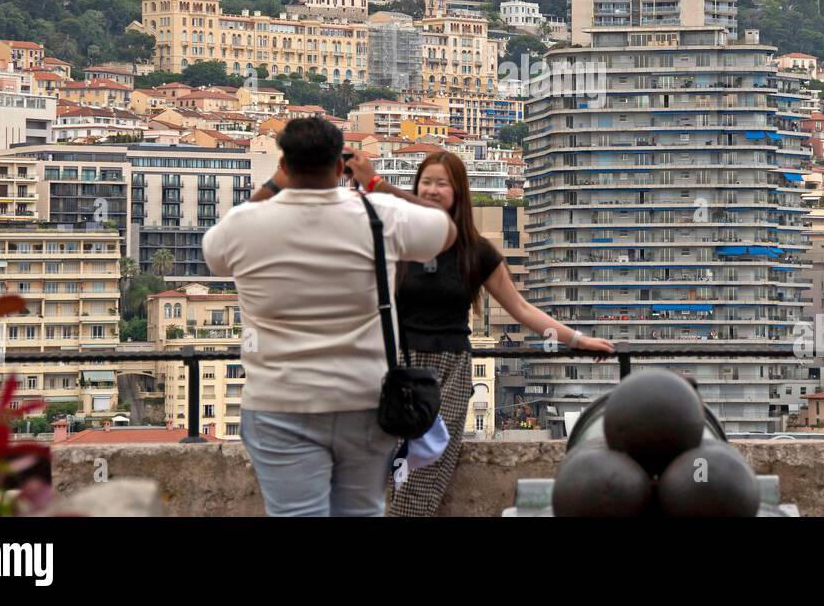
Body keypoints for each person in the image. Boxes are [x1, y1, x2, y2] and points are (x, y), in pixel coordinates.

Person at [203, 117, 455, 517]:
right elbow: (446, 230)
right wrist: (376, 183)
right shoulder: (380, 215)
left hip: (278, 400)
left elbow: (214, 254)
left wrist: (272, 186)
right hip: (364, 399)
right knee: (362, 511)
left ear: (284, 164)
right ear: (340, 166)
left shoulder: (243, 224)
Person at [346, 150, 615, 517]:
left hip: (450, 373)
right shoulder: (398, 241)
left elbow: (520, 309)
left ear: (459, 192)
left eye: (442, 183)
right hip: (398, 371)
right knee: (382, 476)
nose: (432, 190)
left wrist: (576, 339)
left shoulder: (475, 251)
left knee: (422, 483)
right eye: (426, 182)